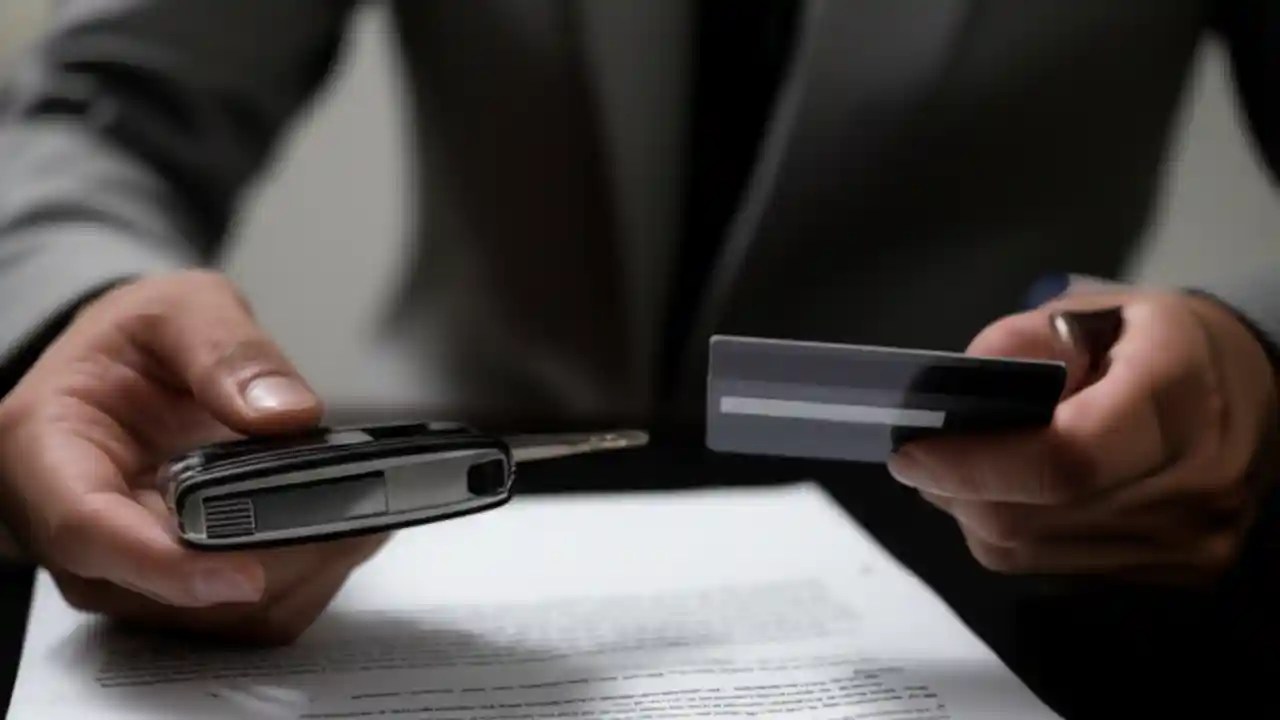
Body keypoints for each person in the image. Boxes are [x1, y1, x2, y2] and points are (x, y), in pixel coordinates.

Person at [0, 1, 1275, 646]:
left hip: (1018, 555)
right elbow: (97, 113)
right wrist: (80, 308)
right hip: (422, 559)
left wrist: (1253, 353)